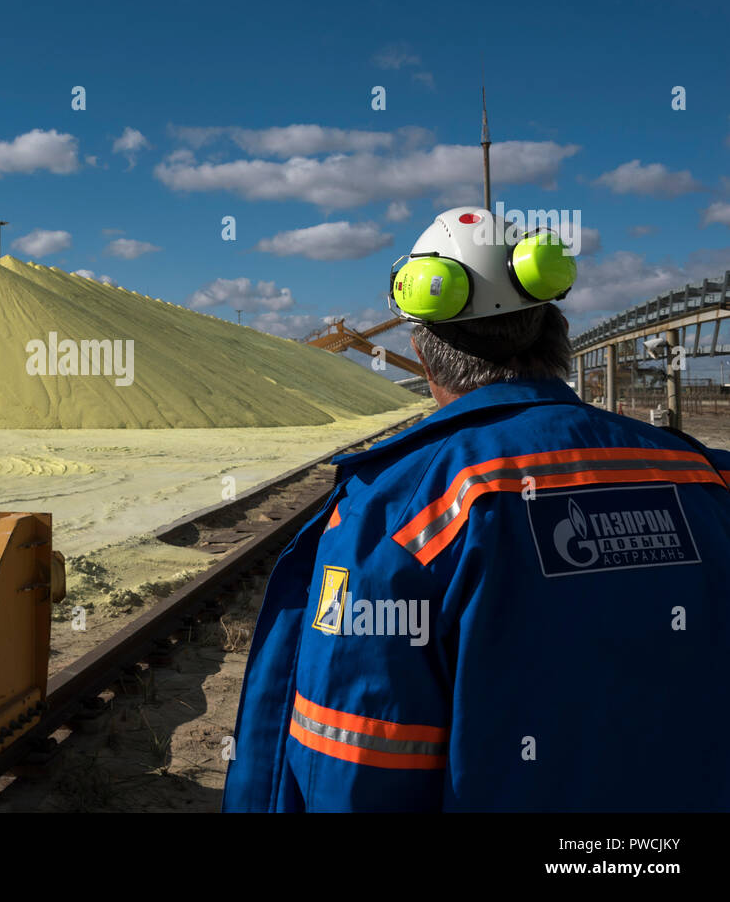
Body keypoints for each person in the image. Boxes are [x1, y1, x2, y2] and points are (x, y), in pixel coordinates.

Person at [222, 207, 730, 812]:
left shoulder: (395, 516)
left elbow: (356, 763)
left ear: (422, 350)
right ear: (557, 330)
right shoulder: (704, 480)